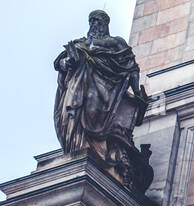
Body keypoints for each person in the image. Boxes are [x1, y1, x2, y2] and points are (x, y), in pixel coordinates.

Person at [53, 10, 149, 192]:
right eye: (92, 21)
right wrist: (67, 62)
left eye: (98, 21)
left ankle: (95, 149)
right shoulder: (80, 43)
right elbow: (60, 63)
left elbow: (131, 67)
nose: (94, 25)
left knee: (90, 111)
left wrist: (137, 91)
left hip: (104, 90)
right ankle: (77, 147)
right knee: (71, 114)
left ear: (106, 24)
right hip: (78, 85)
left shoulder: (115, 43)